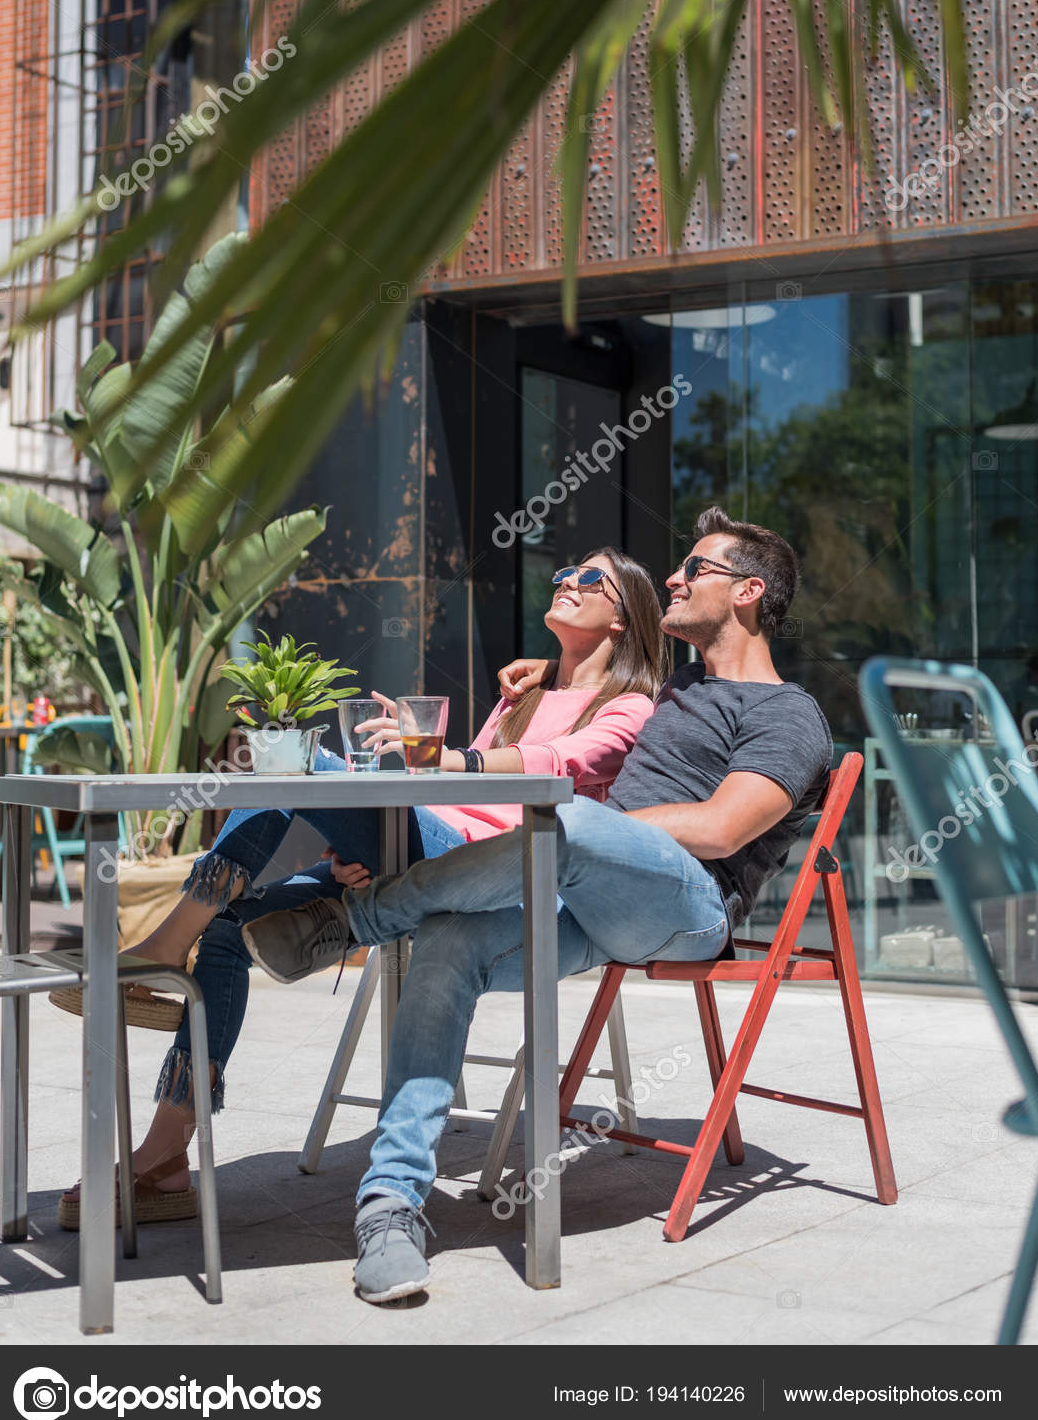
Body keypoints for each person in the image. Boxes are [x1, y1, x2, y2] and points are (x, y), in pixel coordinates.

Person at [239, 506, 833, 1303]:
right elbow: (600, 701)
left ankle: (356, 921)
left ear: (750, 592)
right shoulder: (680, 690)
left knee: (569, 820)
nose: (674, 580)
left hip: (687, 911)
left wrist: (589, 830)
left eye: (696, 570)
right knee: (448, 940)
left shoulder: (787, 715)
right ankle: (391, 1205)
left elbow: (723, 830)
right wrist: (546, 673)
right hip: (588, 895)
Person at [57, 547, 666, 1228]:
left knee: (292, 760)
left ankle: (163, 947)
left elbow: (547, 769)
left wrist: (426, 758)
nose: (566, 584)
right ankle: (164, 1161)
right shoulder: (520, 698)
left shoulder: (631, 708)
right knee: (230, 928)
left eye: (589, 579)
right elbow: (457, 785)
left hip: (493, 874)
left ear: (623, 616)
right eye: (562, 575)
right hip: (422, 850)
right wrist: (374, 814)